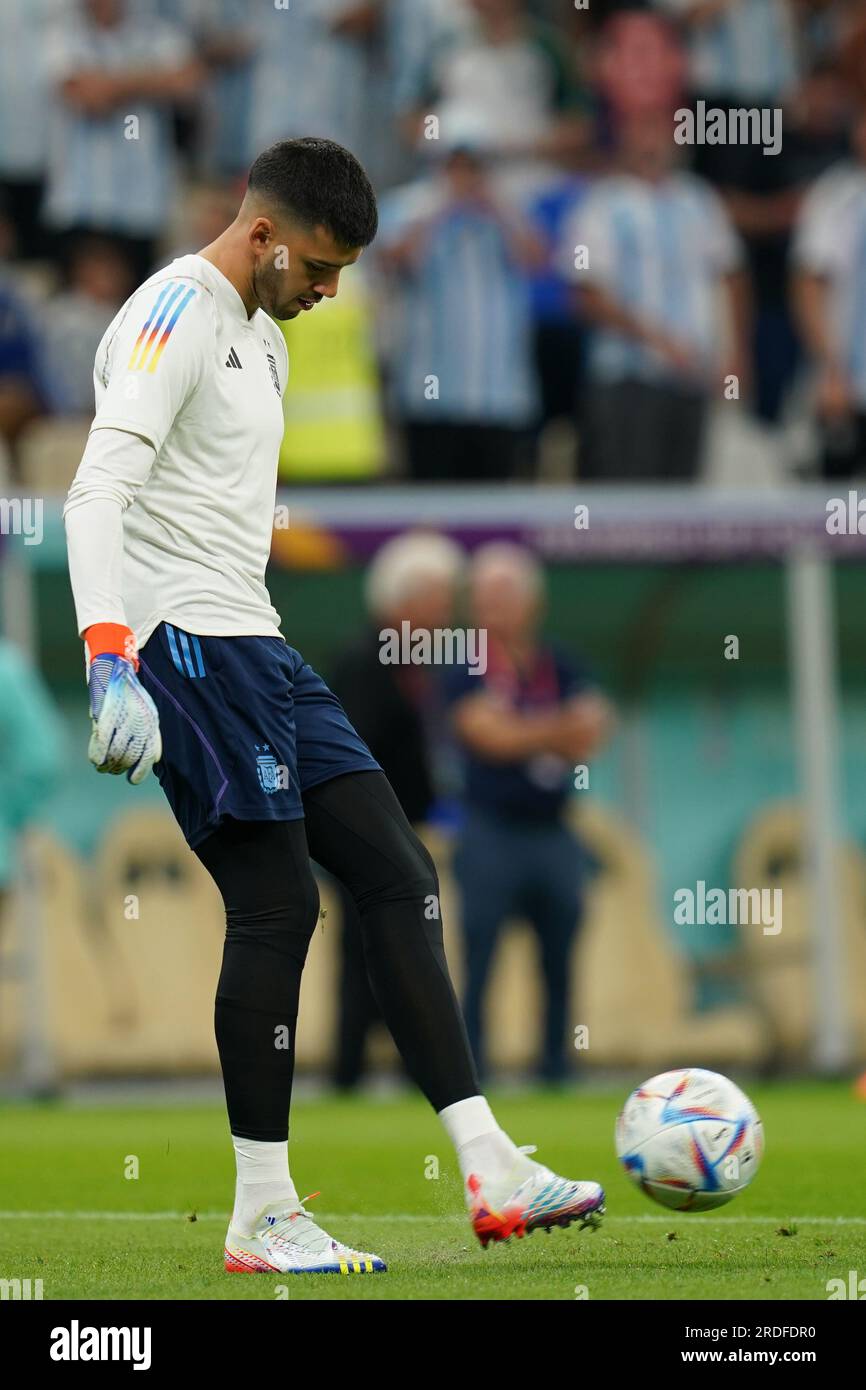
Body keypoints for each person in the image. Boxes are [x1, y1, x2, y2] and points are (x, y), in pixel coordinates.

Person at [62, 137, 605, 1277]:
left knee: (400, 874)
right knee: (276, 908)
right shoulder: (177, 311)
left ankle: (488, 1163)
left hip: (254, 641)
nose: (329, 290)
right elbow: (97, 486)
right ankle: (261, 1207)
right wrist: (109, 652)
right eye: (317, 264)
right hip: (184, 643)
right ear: (259, 233)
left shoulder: (263, 337)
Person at [445, 544, 613, 1084]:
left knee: (561, 957)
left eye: (506, 598)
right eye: (486, 599)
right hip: (489, 829)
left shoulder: (561, 662)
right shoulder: (462, 665)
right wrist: (555, 727)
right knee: (480, 958)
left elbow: (593, 732)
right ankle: (470, 1076)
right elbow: (485, 736)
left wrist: (522, 728)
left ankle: (556, 1069)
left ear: (532, 604)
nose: (495, 610)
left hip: (554, 832)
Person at [329, 531, 465, 1090]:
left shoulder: (417, 666)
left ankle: (413, 1074)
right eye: (436, 599)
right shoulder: (365, 661)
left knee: (404, 951)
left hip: (399, 832)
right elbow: (353, 753)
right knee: (369, 952)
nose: (446, 612)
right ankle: (349, 1075)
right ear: (402, 602)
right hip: (364, 835)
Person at [791, 105, 866, 477]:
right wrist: (830, 369)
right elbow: (808, 286)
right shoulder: (836, 196)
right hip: (848, 385)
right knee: (840, 513)